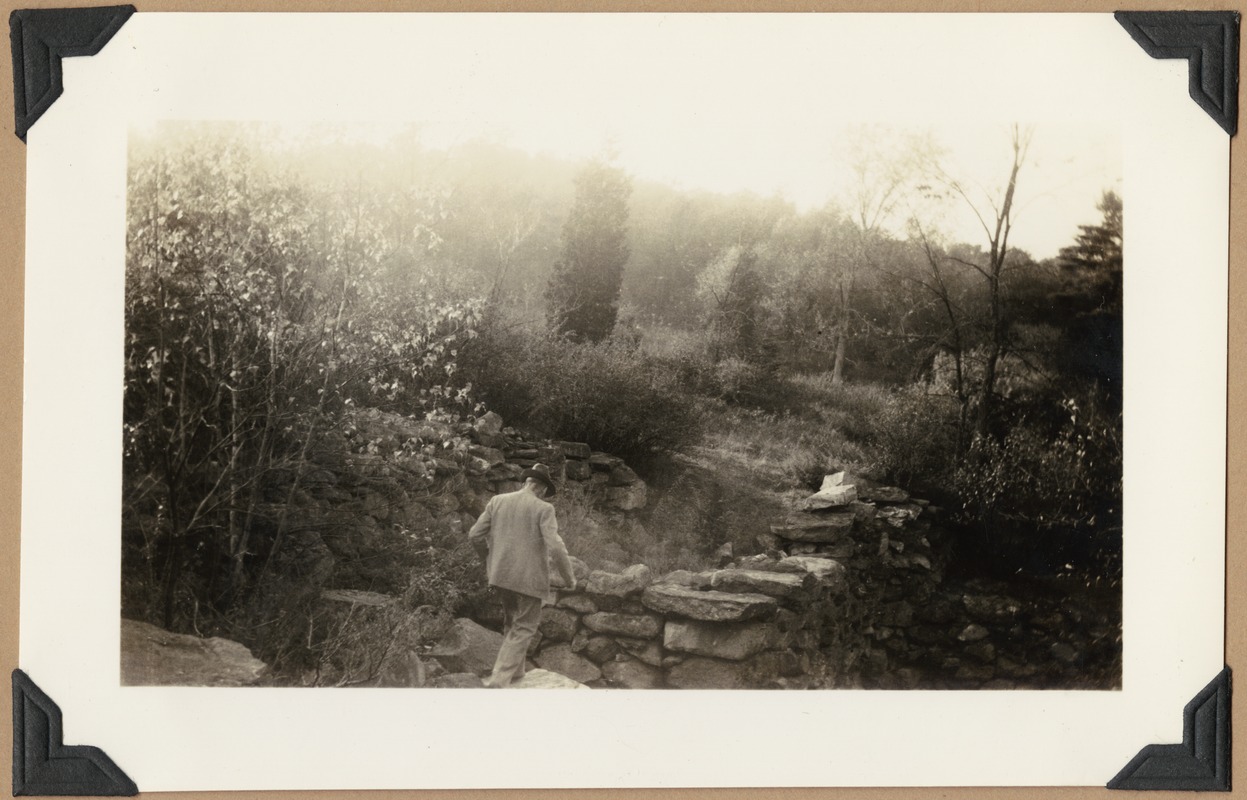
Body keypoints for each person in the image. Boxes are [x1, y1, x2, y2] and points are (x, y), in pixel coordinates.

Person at [468, 463, 577, 688]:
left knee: (511, 622)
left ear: (526, 482)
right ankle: (498, 682)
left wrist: (489, 559)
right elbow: (556, 547)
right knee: (525, 627)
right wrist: (569, 579)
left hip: (500, 575)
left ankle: (516, 673)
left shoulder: (497, 501)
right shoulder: (544, 509)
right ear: (543, 489)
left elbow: (474, 535)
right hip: (529, 580)